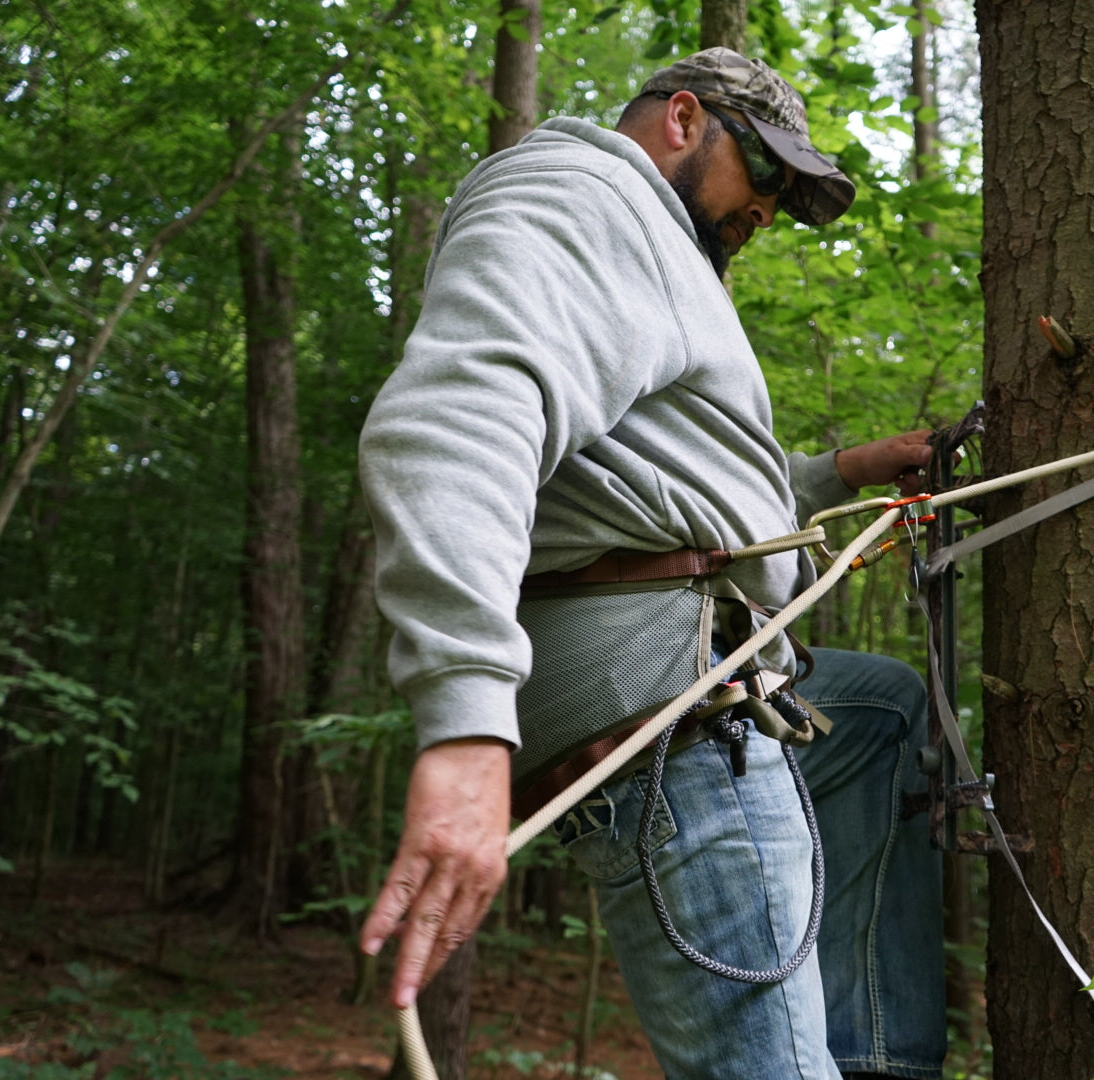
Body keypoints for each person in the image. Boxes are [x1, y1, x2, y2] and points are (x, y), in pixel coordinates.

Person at [357, 47, 946, 1080]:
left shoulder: (643, 248)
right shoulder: (585, 190)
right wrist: (461, 724)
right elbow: (454, 420)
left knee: (879, 711)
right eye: (762, 172)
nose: (766, 211)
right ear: (682, 118)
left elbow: (655, 483)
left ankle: (873, 1060)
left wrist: (839, 471)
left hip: (692, 673)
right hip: (674, 710)